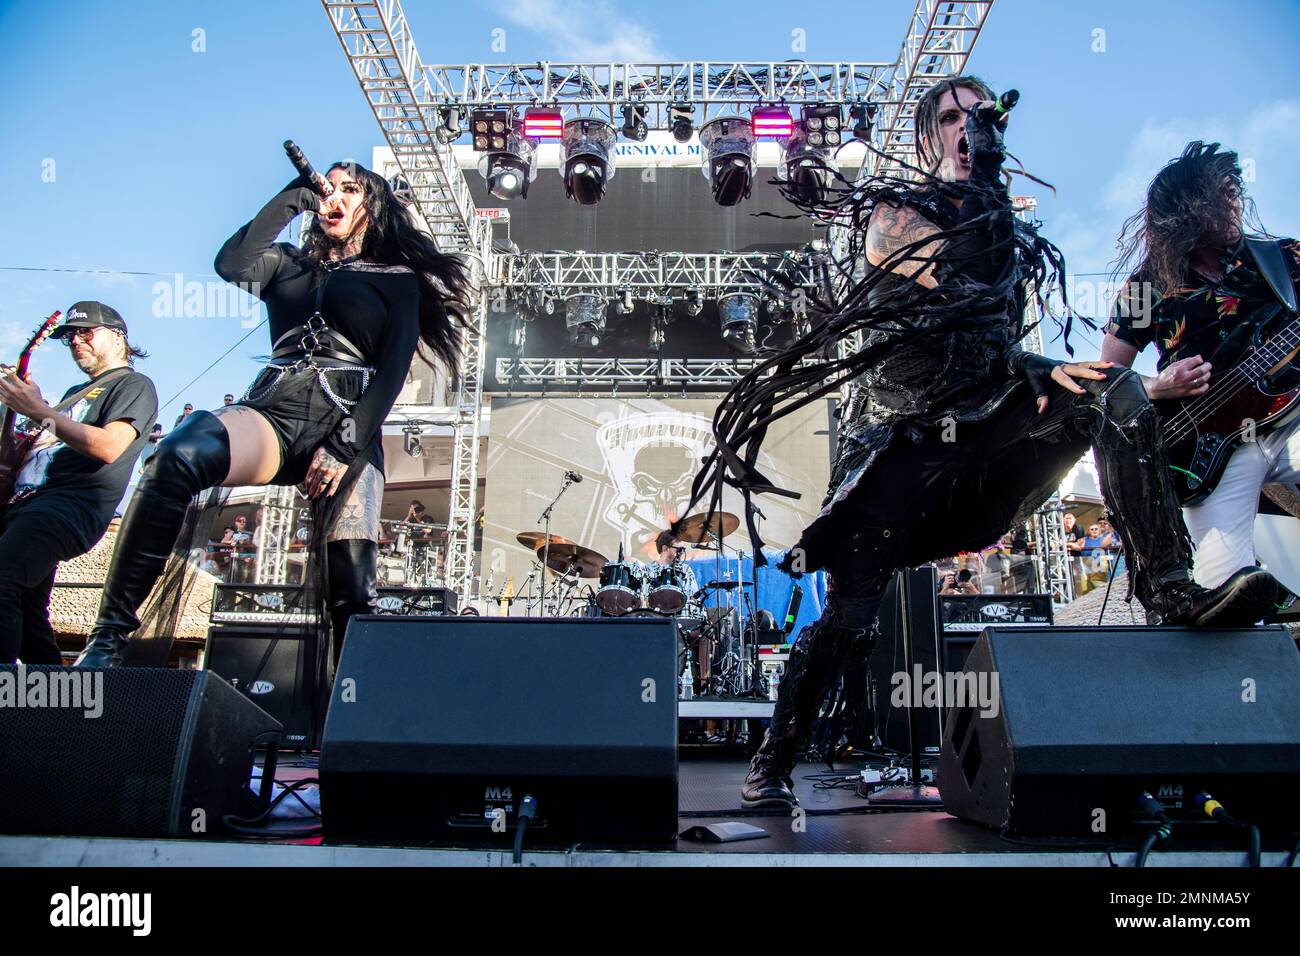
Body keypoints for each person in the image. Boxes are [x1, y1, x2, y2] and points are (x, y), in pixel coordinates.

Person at [684, 77, 1280, 809]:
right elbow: (950, 285)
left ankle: (1170, 591)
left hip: (988, 406)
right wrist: (985, 188)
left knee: (1115, 388)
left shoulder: (996, 214)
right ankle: (772, 764)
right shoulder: (895, 211)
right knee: (850, 611)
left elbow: (998, 334)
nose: (969, 129)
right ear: (926, 137)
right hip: (902, 425)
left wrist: (1067, 370)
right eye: (951, 118)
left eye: (980, 117)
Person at [73, 159, 473, 668]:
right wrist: (298, 193)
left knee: (349, 589)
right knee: (175, 455)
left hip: (347, 419)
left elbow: (392, 372)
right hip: (274, 411)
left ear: (372, 208)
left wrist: (344, 445)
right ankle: (107, 640)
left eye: (352, 189)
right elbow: (232, 263)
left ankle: (345, 726)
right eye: (331, 186)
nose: (337, 195)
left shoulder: (397, 279)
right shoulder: (287, 263)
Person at [1102, 142, 1300, 591]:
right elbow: (1107, 377)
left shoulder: (1282, 257)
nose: (1234, 203)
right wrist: (1158, 386)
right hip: (1209, 445)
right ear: (1188, 208)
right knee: (1222, 585)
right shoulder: (1147, 285)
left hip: (1290, 421)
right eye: (1221, 194)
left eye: (1235, 191)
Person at [0, 301, 157, 664]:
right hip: (26, 504)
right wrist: (21, 407)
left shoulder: (132, 384)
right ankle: (57, 712)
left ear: (119, 338)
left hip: (67, 506)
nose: (76, 341)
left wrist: (39, 411)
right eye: (70, 336)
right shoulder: (74, 393)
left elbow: (109, 446)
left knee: (3, 580)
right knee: (27, 611)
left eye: (86, 332)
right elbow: (33, 444)